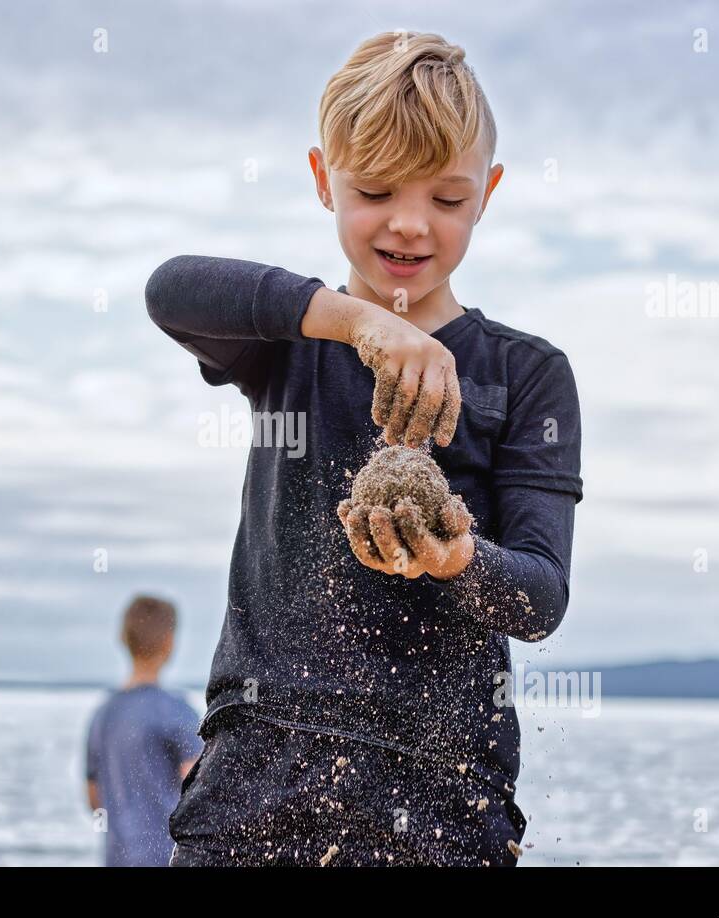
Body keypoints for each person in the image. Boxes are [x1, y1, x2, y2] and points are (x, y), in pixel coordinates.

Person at [144, 31, 583, 866]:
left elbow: (541, 596)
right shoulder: (288, 344)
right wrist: (360, 321)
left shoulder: (528, 375)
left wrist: (457, 559)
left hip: (444, 794)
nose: (411, 224)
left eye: (448, 200)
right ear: (323, 180)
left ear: (488, 193)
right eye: (375, 189)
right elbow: (171, 289)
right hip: (256, 783)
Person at [85, 595, 204, 866]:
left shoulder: (103, 715)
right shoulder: (175, 710)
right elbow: (198, 787)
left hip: (117, 858)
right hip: (167, 858)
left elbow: (94, 797)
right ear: (169, 644)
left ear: (123, 639)